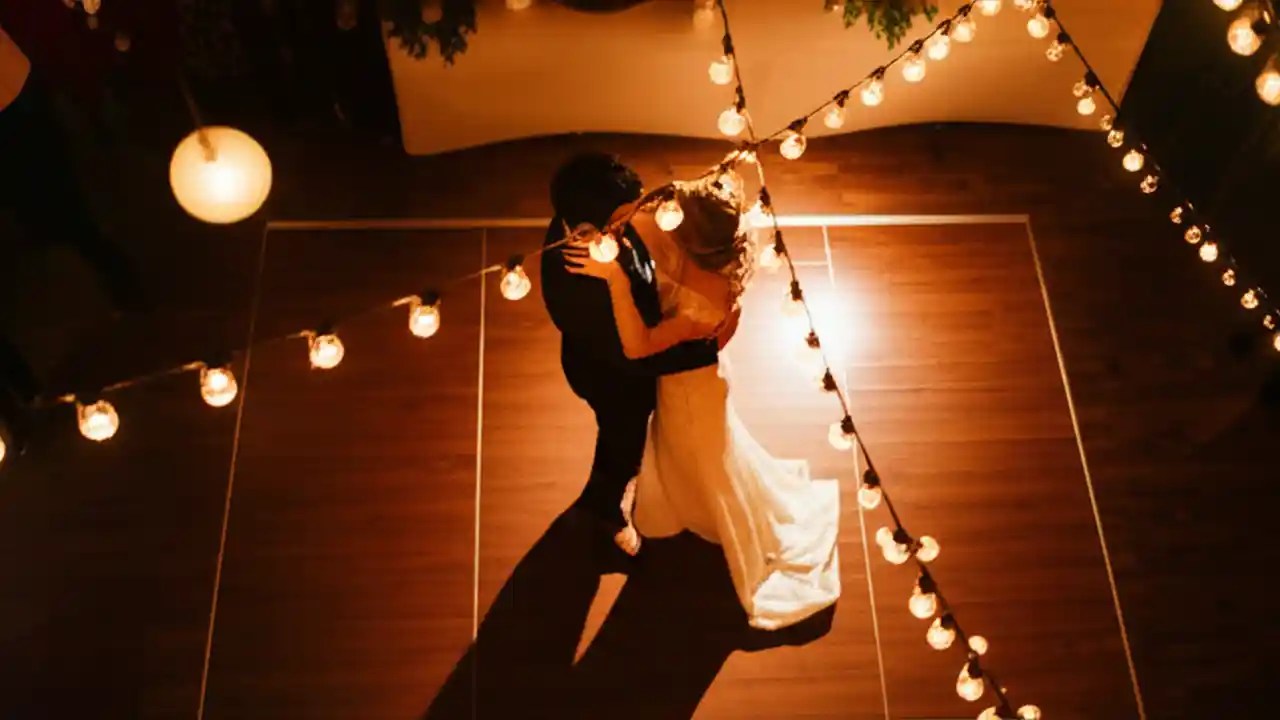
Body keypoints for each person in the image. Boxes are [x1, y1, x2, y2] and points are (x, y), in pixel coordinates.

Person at [562, 177, 841, 631]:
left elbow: (638, 346)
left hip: (689, 394)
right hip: (704, 378)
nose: (663, 217)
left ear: (689, 240)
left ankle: (713, 518)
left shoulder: (702, 301)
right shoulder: (714, 260)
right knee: (697, 456)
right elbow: (648, 216)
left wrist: (613, 277)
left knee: (702, 460)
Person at [540, 153, 720, 556]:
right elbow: (634, 354)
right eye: (625, 217)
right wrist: (705, 347)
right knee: (621, 448)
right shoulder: (581, 288)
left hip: (623, 349)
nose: (636, 221)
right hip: (614, 382)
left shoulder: (588, 228)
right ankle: (604, 513)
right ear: (587, 226)